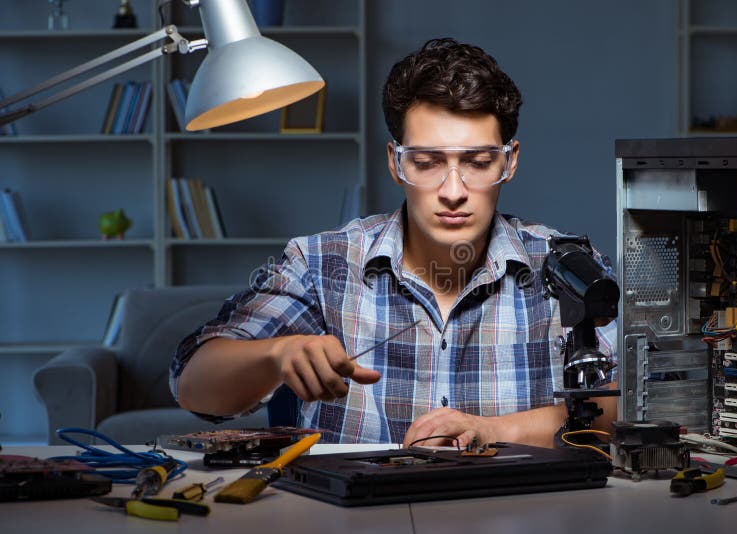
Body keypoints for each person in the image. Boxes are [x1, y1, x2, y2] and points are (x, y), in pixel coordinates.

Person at [170, 38, 617, 446]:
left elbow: (635, 401)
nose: (454, 190)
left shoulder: (566, 265)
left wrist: (491, 430)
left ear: (509, 162)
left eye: (478, 162)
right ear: (396, 162)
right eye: (426, 162)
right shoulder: (323, 263)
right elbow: (192, 385)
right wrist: (278, 353)